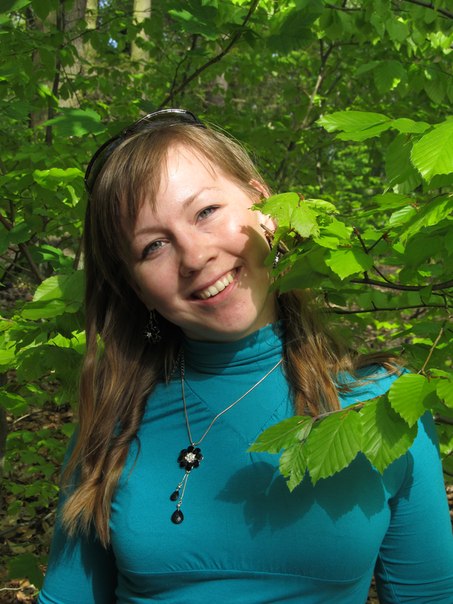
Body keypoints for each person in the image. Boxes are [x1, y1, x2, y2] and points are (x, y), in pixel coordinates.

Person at [38, 108, 453, 604]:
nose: (195, 256)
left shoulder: (383, 404)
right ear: (138, 289)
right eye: (153, 246)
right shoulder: (114, 419)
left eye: (205, 212)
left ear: (263, 205)